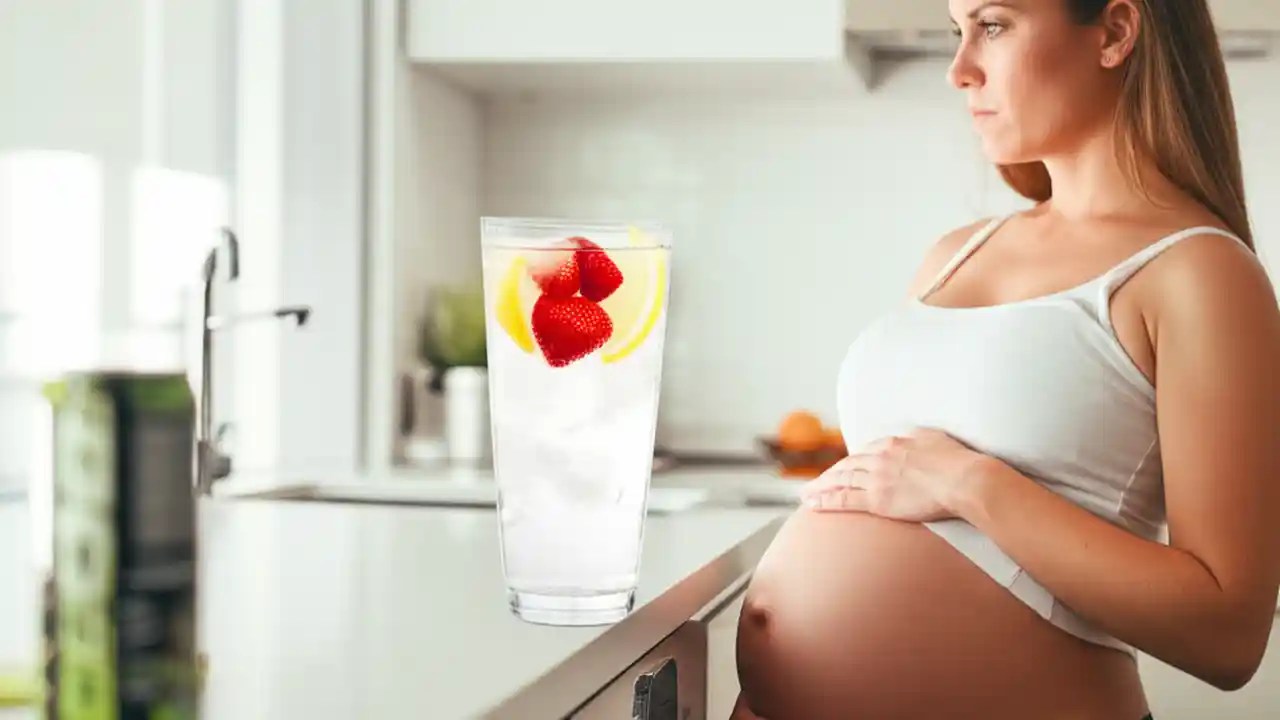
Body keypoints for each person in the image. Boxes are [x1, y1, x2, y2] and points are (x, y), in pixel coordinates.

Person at [730, 1, 1280, 718]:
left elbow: (1228, 633)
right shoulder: (957, 251)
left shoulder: (1199, 272)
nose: (959, 70)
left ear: (1114, 32)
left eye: (992, 25)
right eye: (955, 33)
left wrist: (971, 484)